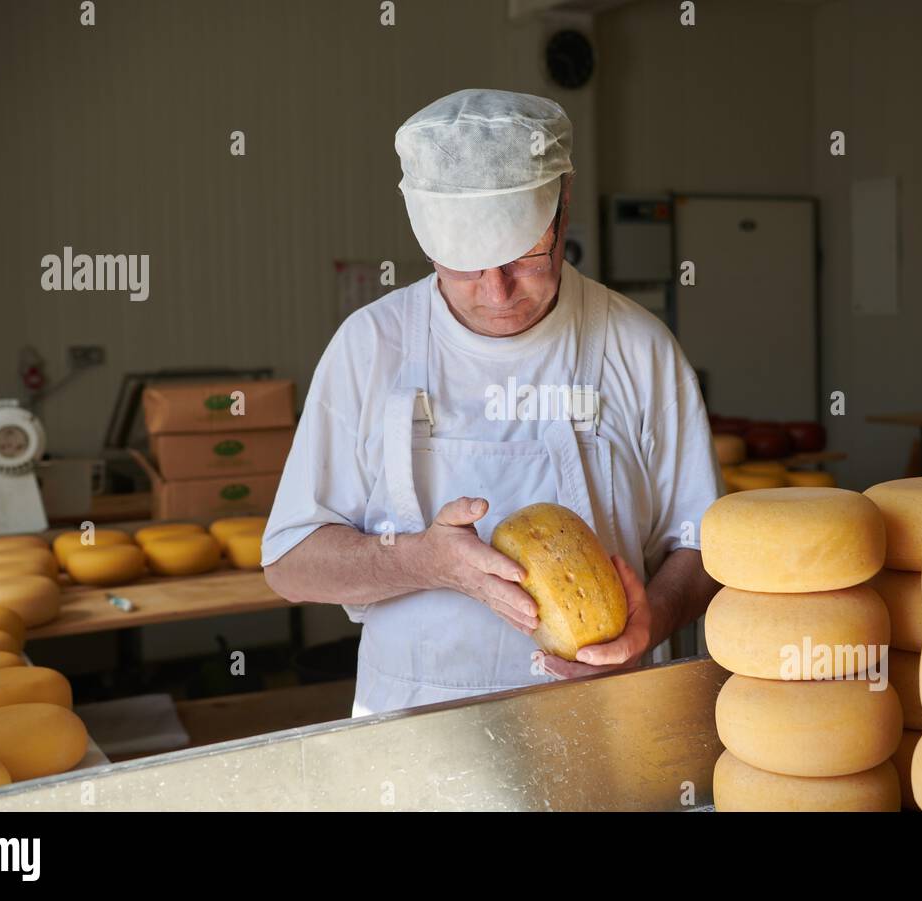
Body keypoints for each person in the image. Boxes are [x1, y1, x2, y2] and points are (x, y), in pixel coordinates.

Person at [263, 88, 721, 716]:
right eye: (465, 265)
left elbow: (703, 545)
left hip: (611, 722)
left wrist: (655, 618)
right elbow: (289, 564)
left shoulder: (638, 347)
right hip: (412, 731)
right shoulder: (371, 347)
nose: (497, 290)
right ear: (426, 244)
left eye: (527, 256)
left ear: (564, 208)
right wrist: (422, 561)